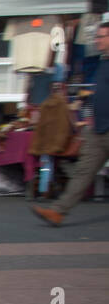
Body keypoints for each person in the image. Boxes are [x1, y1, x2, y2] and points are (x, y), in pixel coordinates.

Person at [33, 22, 109, 227]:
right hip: (99, 127)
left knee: (85, 170)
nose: (97, 40)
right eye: (98, 36)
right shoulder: (102, 62)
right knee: (84, 170)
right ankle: (58, 211)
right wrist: (91, 116)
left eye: (102, 37)